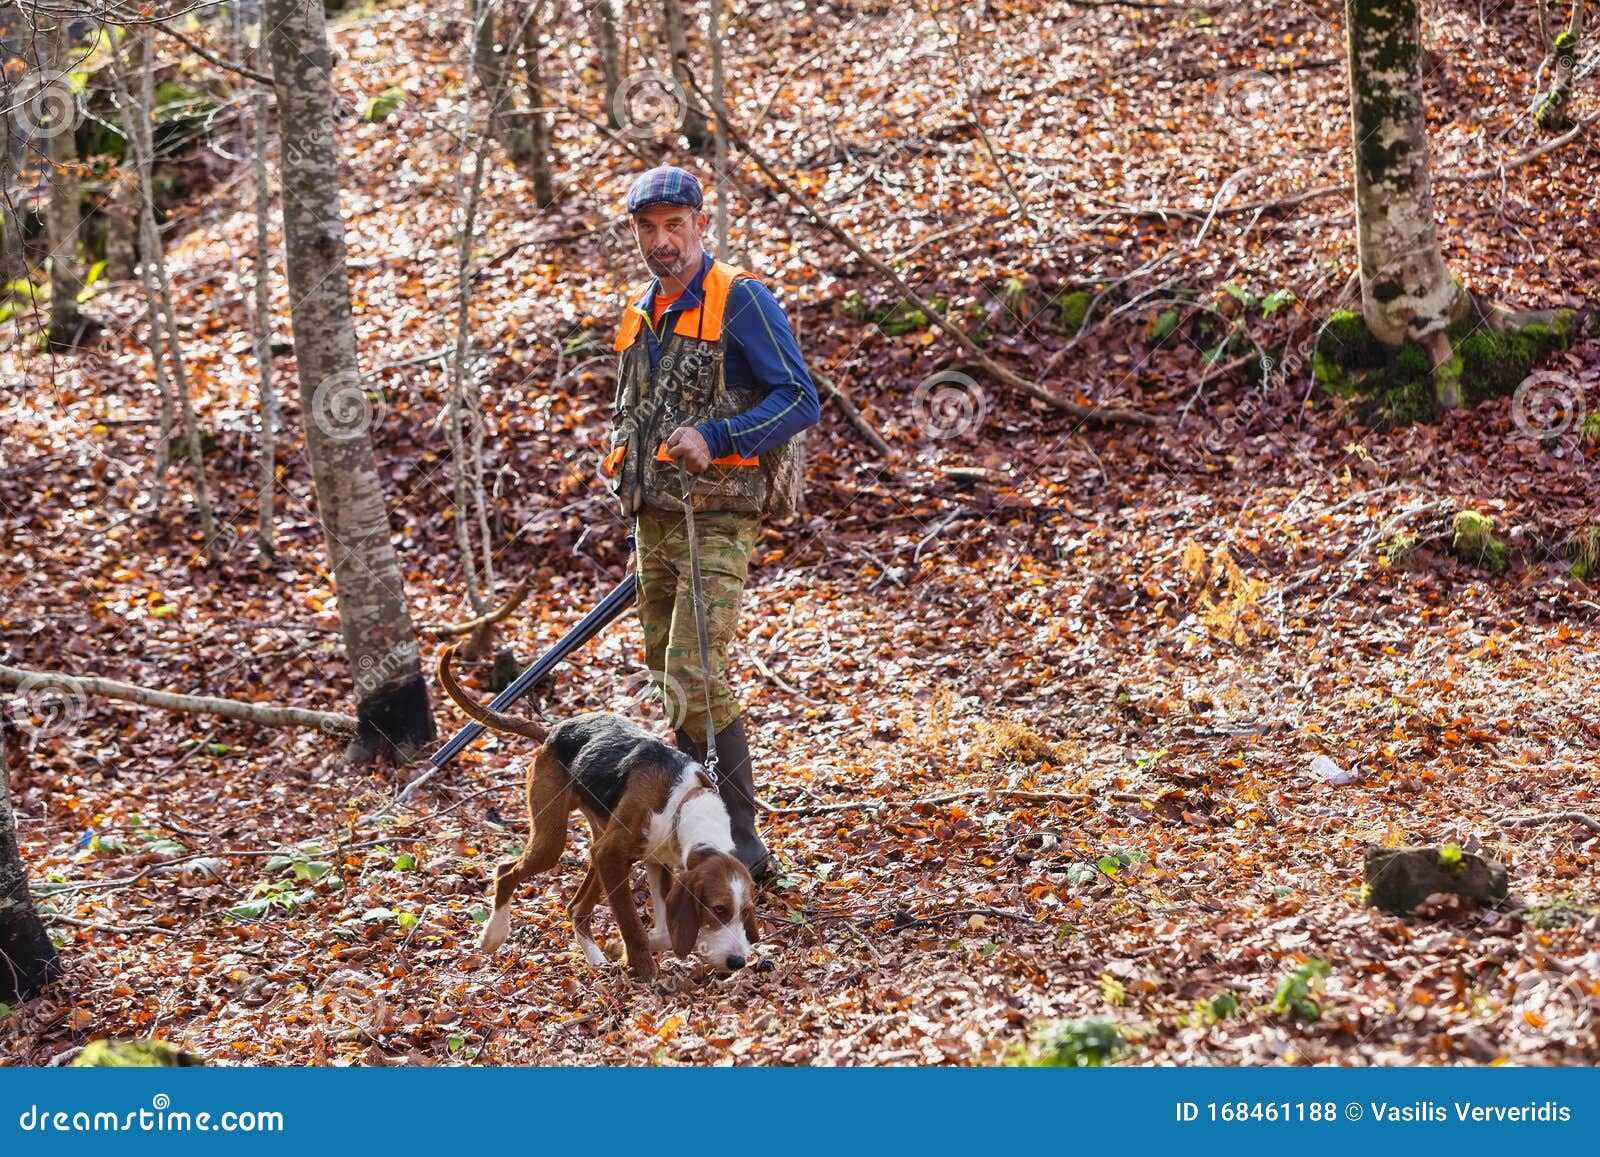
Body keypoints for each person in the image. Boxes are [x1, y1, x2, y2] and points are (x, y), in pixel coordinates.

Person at [602, 165, 819, 879]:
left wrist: (719, 438)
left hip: (719, 517)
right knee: (670, 677)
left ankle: (744, 845)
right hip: (653, 519)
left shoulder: (742, 300)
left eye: (675, 225)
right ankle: (699, 830)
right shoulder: (642, 313)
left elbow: (798, 399)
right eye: (647, 228)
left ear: (701, 222)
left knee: (695, 667)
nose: (662, 242)